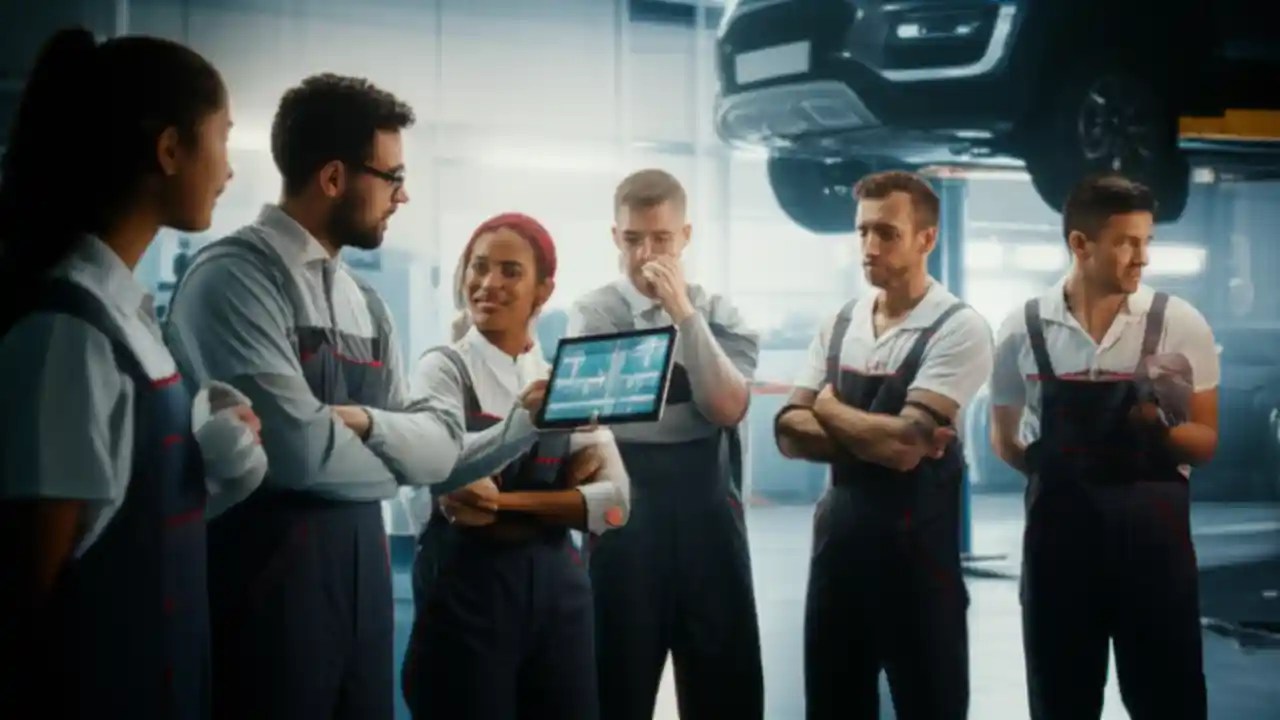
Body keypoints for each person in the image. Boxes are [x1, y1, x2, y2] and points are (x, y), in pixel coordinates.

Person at [163, 73, 464, 720]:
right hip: (261, 598)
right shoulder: (233, 280)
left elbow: (439, 451)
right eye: (391, 176)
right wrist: (399, 455)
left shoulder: (367, 304)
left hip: (364, 603)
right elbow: (295, 451)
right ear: (333, 178)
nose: (402, 195)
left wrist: (366, 430)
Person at [0, 28, 265, 718]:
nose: (229, 169)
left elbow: (120, 521)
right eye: (223, 138)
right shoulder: (69, 336)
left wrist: (208, 473)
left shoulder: (126, 316)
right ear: (170, 150)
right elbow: (29, 587)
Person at [988, 174, 1217, 720]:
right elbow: (1005, 438)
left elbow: (1204, 442)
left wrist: (1157, 427)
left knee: (1170, 701)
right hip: (1058, 554)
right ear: (1080, 245)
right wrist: (1065, 479)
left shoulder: (1175, 324)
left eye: (1147, 242)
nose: (1142, 259)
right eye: (1127, 243)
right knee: (1060, 701)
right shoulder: (1022, 328)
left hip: (1154, 554)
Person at [775, 170, 993, 720]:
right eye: (863, 232)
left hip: (918, 568)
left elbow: (899, 447)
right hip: (837, 557)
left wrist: (827, 409)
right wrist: (886, 438)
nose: (870, 247)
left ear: (927, 239)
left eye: (887, 233)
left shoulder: (958, 328)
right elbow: (786, 431)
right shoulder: (841, 322)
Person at [402, 212, 631, 719]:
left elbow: (615, 507)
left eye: (510, 271)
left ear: (543, 290)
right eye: (479, 267)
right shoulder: (442, 369)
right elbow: (447, 479)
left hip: (559, 596)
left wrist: (503, 501)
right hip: (465, 592)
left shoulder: (560, 380)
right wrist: (566, 498)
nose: (488, 284)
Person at [566, 169, 764, 720]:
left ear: (686, 236)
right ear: (615, 238)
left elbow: (726, 406)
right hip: (625, 521)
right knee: (614, 681)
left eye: (661, 239)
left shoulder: (722, 316)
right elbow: (599, 419)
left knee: (724, 683)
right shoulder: (593, 313)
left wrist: (684, 315)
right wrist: (691, 389)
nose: (645, 254)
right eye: (632, 240)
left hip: (710, 524)